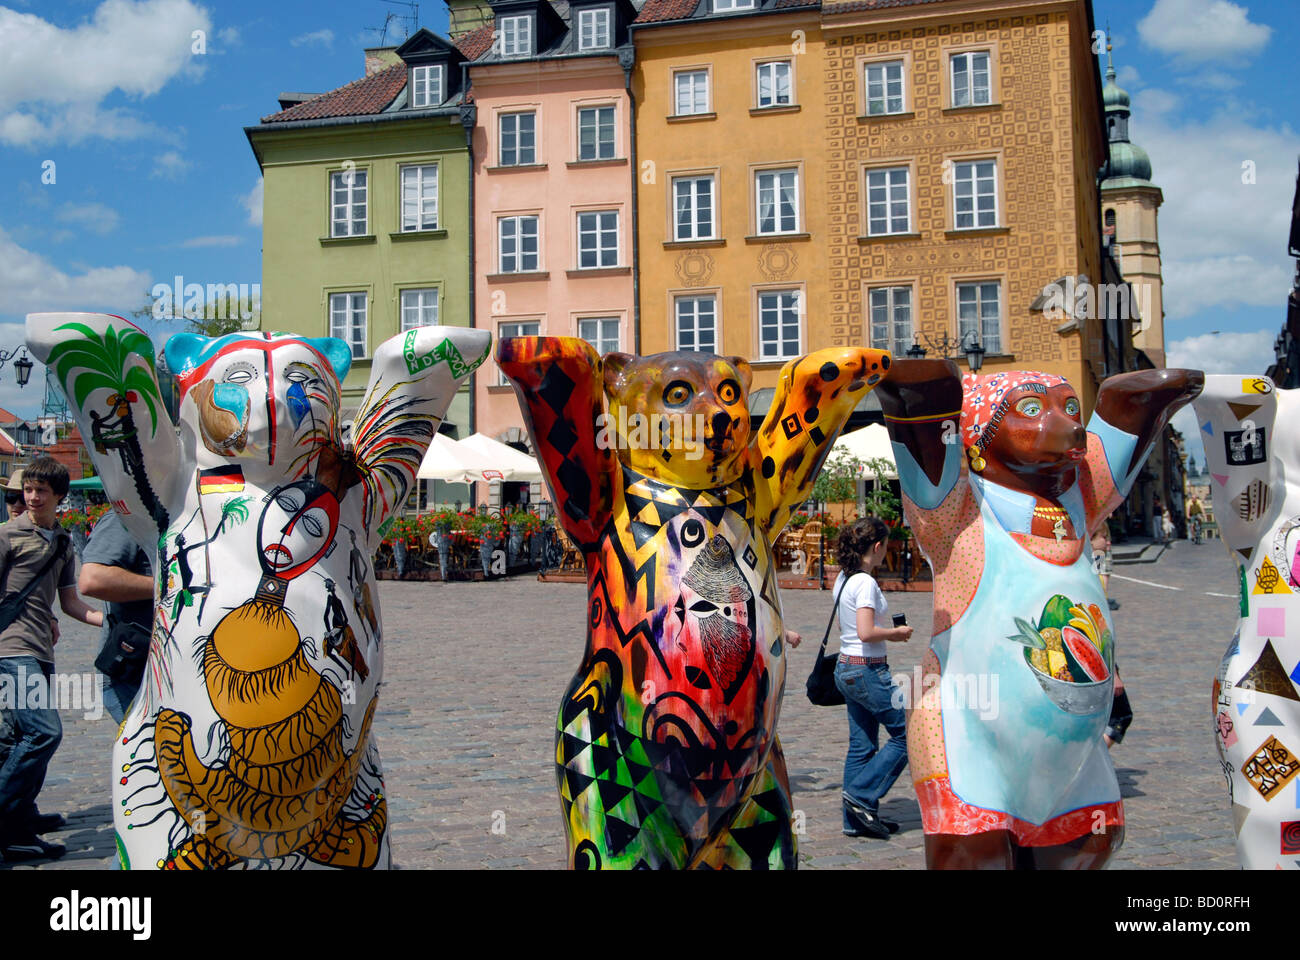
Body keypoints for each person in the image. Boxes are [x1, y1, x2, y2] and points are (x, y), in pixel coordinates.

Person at [0, 457, 103, 862]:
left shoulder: (61, 542)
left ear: (59, 496)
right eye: (28, 490)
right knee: (44, 732)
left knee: (18, 739)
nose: (32, 497)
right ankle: (8, 822)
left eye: (41, 491)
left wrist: (109, 622)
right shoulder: (8, 535)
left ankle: (20, 821)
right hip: (11, 648)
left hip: (41, 649)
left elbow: (72, 603)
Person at [832, 517, 913, 840]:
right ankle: (862, 797)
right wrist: (897, 633)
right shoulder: (864, 582)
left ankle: (856, 820)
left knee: (862, 745)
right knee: (907, 734)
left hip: (847, 668)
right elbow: (866, 632)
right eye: (886, 546)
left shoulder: (842, 578)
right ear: (877, 547)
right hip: (867, 670)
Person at [79, 509, 154, 725]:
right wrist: (167, 585)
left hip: (168, 671)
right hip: (130, 672)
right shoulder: (126, 516)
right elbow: (92, 580)